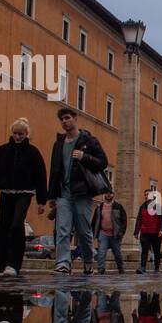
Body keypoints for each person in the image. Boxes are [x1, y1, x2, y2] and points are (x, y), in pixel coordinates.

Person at [0, 118, 47, 277]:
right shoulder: (3, 150)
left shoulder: (33, 153)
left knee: (16, 225)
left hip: (25, 193)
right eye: (15, 134)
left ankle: (14, 264)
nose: (17, 137)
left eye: (21, 134)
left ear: (26, 134)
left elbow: (41, 176)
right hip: (6, 192)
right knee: (3, 228)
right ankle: (2, 265)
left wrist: (41, 201)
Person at [45, 106, 108, 275]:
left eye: (67, 118)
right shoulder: (58, 144)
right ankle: (63, 262)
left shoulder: (88, 141)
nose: (65, 122)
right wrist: (51, 195)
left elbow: (103, 162)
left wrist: (84, 157)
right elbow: (54, 170)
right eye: (62, 119)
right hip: (63, 194)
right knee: (63, 229)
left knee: (84, 230)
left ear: (75, 118)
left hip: (82, 193)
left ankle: (88, 260)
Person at [90, 191, 127, 275]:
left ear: (113, 195)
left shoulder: (118, 206)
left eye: (110, 193)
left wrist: (121, 232)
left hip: (115, 234)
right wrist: (93, 233)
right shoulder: (100, 207)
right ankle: (101, 269)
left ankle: (120, 268)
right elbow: (94, 220)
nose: (108, 195)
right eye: (107, 193)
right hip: (103, 233)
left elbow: (124, 220)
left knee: (117, 254)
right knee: (101, 252)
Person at [133, 189, 162, 274]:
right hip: (145, 232)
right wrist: (136, 232)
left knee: (156, 252)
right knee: (144, 251)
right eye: (145, 194)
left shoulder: (158, 207)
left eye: (148, 194)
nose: (146, 196)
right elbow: (139, 220)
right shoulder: (142, 207)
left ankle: (156, 269)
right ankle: (143, 268)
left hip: (156, 233)